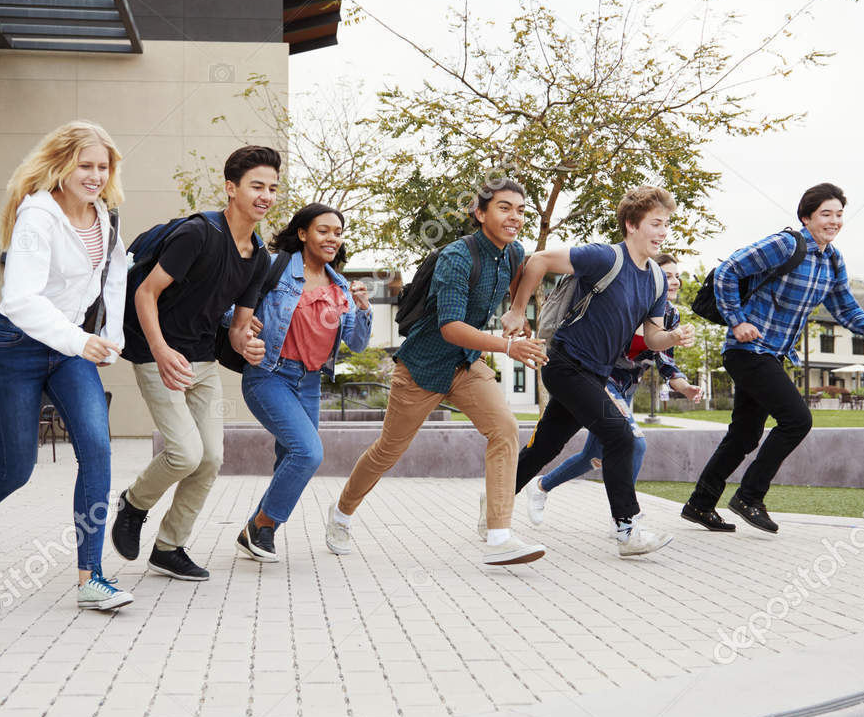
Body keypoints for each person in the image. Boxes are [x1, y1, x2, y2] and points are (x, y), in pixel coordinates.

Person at [0, 122, 131, 611]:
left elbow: (114, 276)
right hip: (18, 348)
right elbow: (21, 299)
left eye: (102, 167)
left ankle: (91, 577)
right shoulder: (38, 216)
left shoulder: (104, 216)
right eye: (85, 165)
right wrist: (79, 338)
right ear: (63, 164)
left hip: (69, 350)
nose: (94, 176)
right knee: (17, 467)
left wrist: (112, 336)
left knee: (96, 449)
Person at [326, 180, 548, 567]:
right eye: (504, 208)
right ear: (480, 214)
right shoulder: (457, 258)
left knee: (505, 429)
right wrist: (509, 346)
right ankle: (341, 514)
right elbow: (450, 327)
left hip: (466, 365)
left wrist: (517, 309)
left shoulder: (513, 252)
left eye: (521, 210)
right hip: (422, 368)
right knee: (387, 451)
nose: (515, 217)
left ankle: (498, 534)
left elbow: (524, 275)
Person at [682, 183, 864, 533]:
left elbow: (845, 308)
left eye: (839, 214)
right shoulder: (786, 245)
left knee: (744, 436)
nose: (834, 221)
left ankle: (700, 504)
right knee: (797, 419)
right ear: (806, 217)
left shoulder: (832, 260)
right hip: (748, 351)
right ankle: (749, 497)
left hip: (772, 355)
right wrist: (737, 320)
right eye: (825, 214)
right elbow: (728, 271)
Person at [110, 146, 276, 582]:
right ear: (231, 189)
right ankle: (134, 503)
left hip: (202, 361)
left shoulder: (258, 256)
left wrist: (248, 346)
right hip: (157, 354)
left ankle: (168, 547)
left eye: (273, 188)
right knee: (184, 453)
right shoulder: (198, 234)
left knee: (210, 459)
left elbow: (240, 328)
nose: (266, 196)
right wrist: (161, 351)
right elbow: (147, 293)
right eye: (257, 186)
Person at [502, 186, 694, 556]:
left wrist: (672, 336)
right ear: (631, 225)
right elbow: (539, 260)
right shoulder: (606, 257)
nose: (662, 232)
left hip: (595, 372)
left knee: (545, 446)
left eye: (666, 225)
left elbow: (652, 338)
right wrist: (517, 311)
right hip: (565, 362)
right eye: (655, 223)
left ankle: (493, 503)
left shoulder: (655, 278)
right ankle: (627, 530)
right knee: (621, 437)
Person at [235, 204, 372, 562]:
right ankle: (263, 525)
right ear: (302, 233)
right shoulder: (274, 268)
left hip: (310, 383)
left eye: (338, 233)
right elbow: (230, 308)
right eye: (323, 230)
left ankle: (254, 530)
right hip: (269, 374)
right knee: (308, 452)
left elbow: (356, 344)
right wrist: (243, 329)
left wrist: (364, 308)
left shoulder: (339, 285)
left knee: (290, 457)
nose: (332, 239)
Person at [525, 253, 701, 524]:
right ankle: (625, 521)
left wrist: (685, 386)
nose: (674, 282)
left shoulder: (670, 315)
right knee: (633, 442)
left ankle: (540, 487)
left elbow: (664, 360)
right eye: (667, 277)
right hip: (600, 379)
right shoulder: (631, 302)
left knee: (593, 455)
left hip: (626, 388)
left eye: (676, 276)